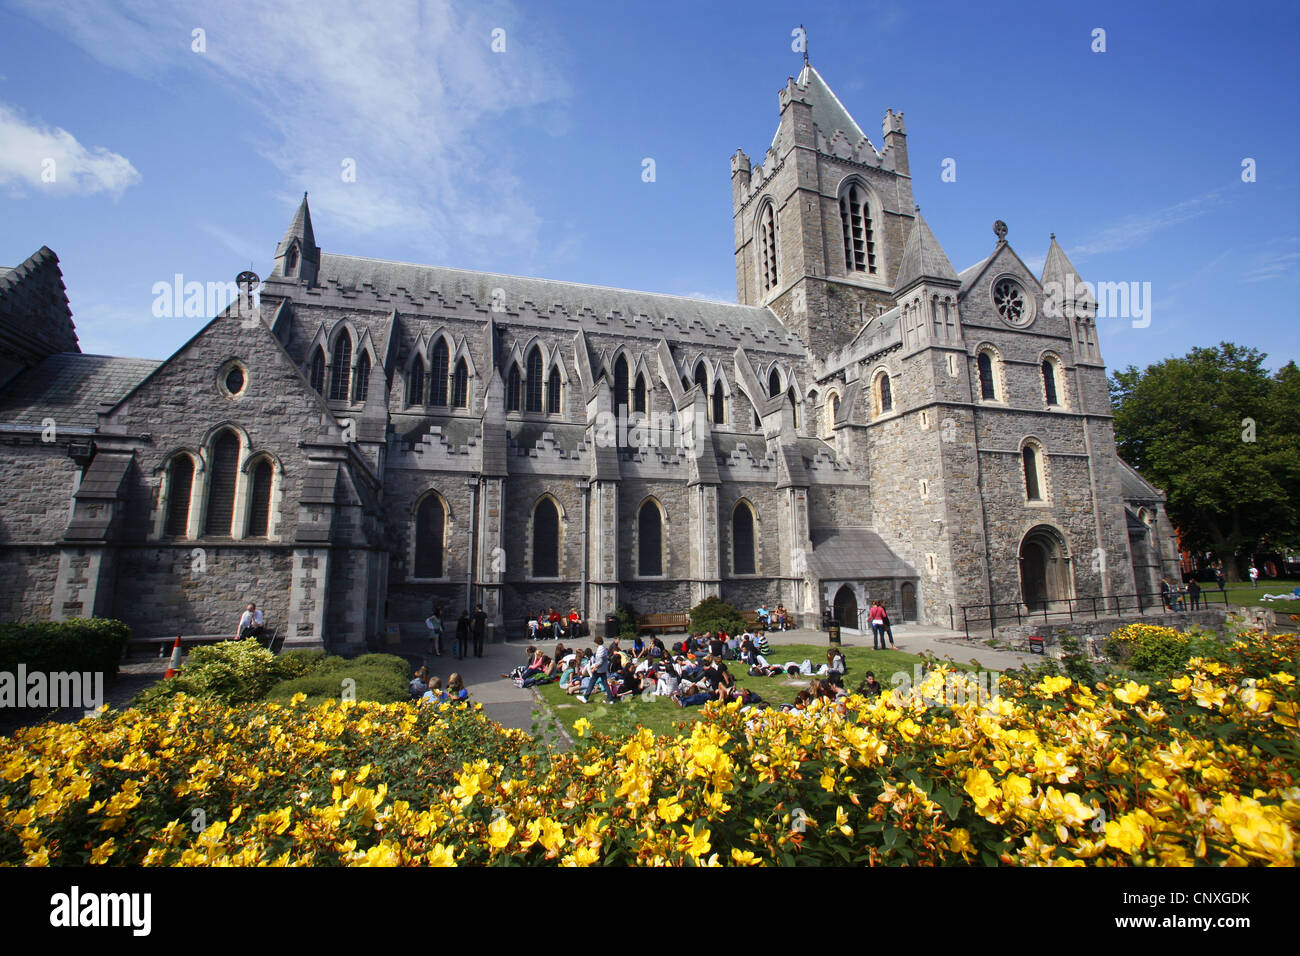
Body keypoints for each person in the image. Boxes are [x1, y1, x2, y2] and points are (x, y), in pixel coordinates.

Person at [577, 636, 616, 704]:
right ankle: (611, 699)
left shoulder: (600, 649)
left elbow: (600, 661)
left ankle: (585, 698)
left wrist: (594, 668)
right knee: (605, 684)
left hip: (599, 670)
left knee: (592, 683)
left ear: (597, 642)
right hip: (603, 669)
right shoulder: (603, 648)